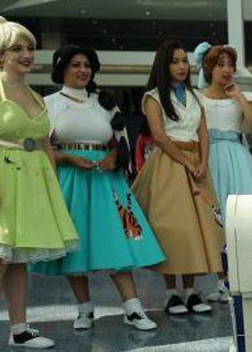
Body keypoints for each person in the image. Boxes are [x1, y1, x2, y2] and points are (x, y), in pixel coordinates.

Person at [0, 15, 79, 352]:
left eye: (29, 48)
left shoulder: (35, 96)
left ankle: (20, 329)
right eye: (16, 49)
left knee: (17, 260)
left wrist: (52, 188)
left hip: (32, 183)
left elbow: (44, 145)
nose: (26, 54)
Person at [31, 45, 163, 331]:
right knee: (75, 244)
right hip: (69, 179)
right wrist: (68, 158)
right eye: (76, 65)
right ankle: (84, 309)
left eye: (87, 65)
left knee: (116, 240)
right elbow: (38, 149)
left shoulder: (105, 102)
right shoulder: (47, 104)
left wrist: (115, 156)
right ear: (62, 69)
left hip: (106, 179)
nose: (83, 70)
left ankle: (133, 308)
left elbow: (120, 142)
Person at [131, 40, 224, 315]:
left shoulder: (195, 96)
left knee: (198, 226)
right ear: (164, 65)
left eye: (184, 60)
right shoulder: (153, 97)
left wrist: (203, 162)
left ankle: (192, 291)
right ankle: (171, 293)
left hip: (196, 164)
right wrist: (187, 162)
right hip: (169, 164)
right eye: (175, 61)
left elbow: (203, 133)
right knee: (172, 227)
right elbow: (160, 137)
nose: (182, 66)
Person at [194, 42, 252, 303]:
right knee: (215, 221)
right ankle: (223, 279)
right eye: (220, 65)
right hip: (208, 159)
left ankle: (246, 278)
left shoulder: (242, 97)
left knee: (243, 219)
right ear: (209, 68)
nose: (226, 70)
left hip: (237, 160)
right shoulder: (197, 97)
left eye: (230, 65)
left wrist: (238, 97)